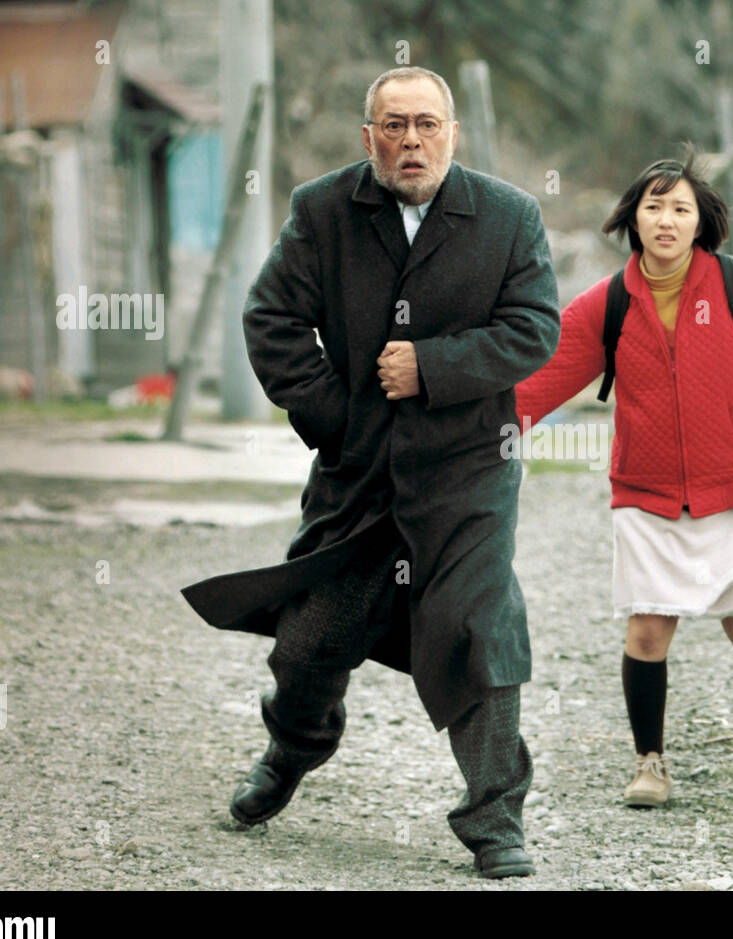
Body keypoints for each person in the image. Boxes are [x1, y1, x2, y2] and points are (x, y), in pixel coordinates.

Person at [180, 66, 560, 877]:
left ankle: (496, 819)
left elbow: (534, 331)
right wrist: (340, 418)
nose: (410, 140)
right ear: (369, 137)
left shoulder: (509, 216)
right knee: (313, 636)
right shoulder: (323, 211)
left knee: (477, 626)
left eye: (426, 124)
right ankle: (291, 754)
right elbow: (271, 319)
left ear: (452, 133)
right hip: (357, 472)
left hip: (467, 472)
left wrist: (433, 365)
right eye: (393, 125)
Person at [514, 151, 733, 807]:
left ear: (701, 221)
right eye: (654, 207)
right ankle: (650, 763)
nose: (666, 220)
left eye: (680, 208)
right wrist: (478, 438)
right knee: (647, 631)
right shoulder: (609, 304)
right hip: (644, 496)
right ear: (633, 219)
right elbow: (538, 382)